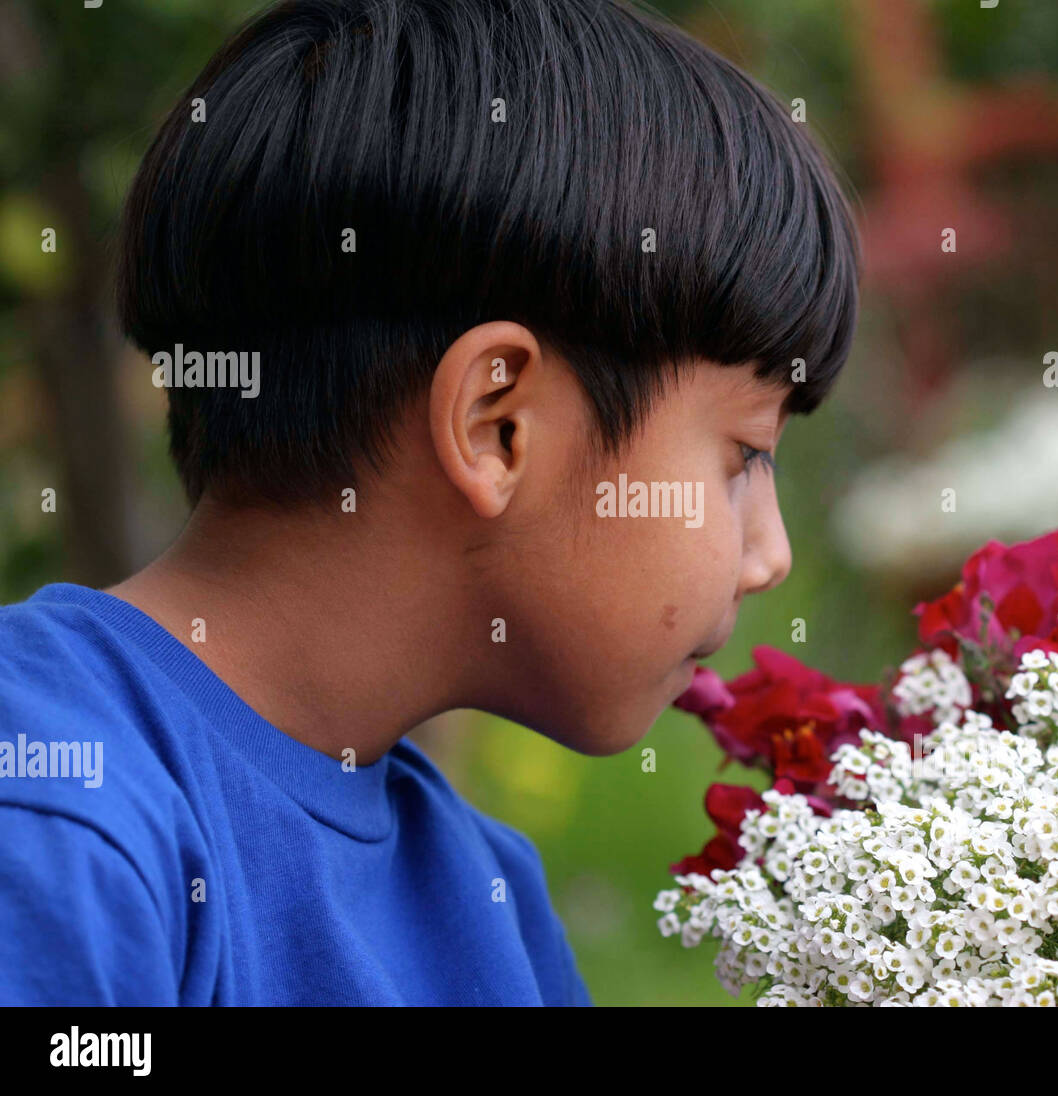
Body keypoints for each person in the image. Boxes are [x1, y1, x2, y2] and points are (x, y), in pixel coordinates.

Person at [0, 0, 860, 1005]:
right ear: (498, 425)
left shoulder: (486, 892)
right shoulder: (57, 813)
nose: (768, 556)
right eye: (741, 457)